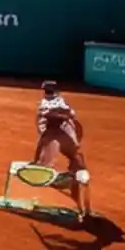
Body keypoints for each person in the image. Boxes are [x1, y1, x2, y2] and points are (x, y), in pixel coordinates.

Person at [33, 81, 94, 222]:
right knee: (81, 177)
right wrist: (65, 115)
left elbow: (47, 115)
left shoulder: (45, 106)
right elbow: (70, 113)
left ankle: (80, 206)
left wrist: (35, 160)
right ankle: (85, 210)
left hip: (59, 140)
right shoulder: (60, 102)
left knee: (64, 177)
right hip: (69, 147)